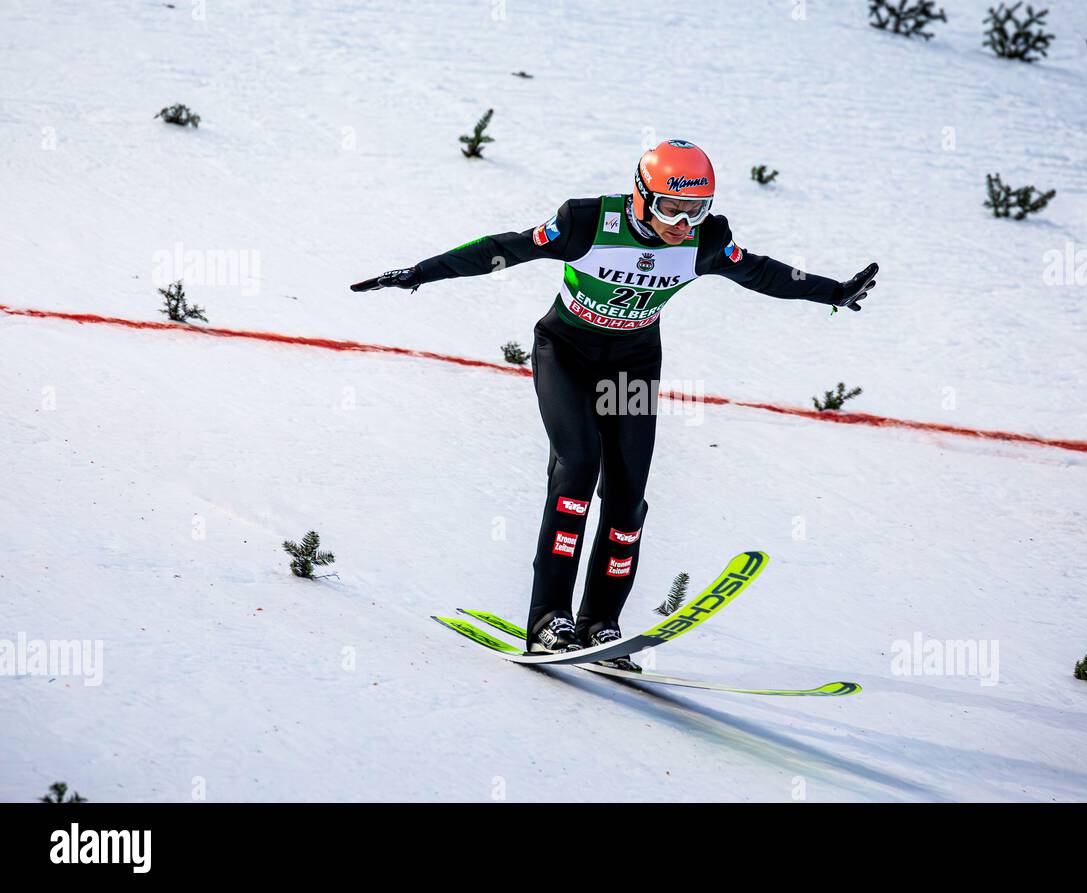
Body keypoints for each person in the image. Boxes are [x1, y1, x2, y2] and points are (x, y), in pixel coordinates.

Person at [353, 139, 878, 667]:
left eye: (697, 210)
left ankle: (601, 623)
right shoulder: (585, 222)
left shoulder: (706, 242)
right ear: (642, 194)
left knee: (627, 500)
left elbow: (763, 273)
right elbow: (507, 247)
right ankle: (547, 620)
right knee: (577, 469)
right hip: (567, 354)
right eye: (673, 207)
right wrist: (421, 271)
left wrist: (833, 292)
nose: (683, 222)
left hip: (631, 365)